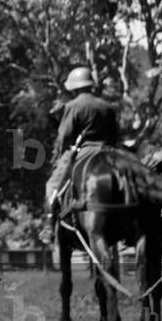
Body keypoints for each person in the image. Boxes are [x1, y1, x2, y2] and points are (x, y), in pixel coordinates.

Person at [44, 66, 121, 223]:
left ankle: (49, 223)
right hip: (109, 151)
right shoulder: (108, 107)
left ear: (74, 88)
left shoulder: (73, 106)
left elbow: (65, 136)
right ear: (90, 85)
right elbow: (115, 135)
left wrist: (61, 154)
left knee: (51, 185)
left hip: (84, 150)